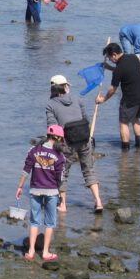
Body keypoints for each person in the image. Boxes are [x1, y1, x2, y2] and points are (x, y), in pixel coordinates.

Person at [46, 75, 103, 213]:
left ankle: (63, 205)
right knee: (88, 169)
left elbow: (53, 127)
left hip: (67, 142)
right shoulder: (77, 99)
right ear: (65, 87)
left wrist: (53, 145)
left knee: (62, 173)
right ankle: (98, 201)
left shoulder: (50, 105)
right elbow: (86, 118)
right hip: (84, 138)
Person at [16, 125, 65, 262]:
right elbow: (59, 178)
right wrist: (61, 195)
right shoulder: (59, 156)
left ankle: (31, 251)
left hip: (35, 190)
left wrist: (20, 187)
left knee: (34, 221)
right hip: (52, 192)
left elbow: (26, 171)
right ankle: (45, 252)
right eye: (61, 138)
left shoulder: (34, 150)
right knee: (50, 222)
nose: (62, 141)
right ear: (57, 137)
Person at [96, 42, 140, 150]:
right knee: (136, 119)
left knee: (124, 123)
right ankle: (139, 147)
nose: (109, 59)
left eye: (109, 57)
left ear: (114, 55)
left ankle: (125, 151)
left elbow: (112, 89)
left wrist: (103, 99)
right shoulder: (133, 58)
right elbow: (128, 70)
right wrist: (110, 67)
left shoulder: (118, 69)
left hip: (130, 99)